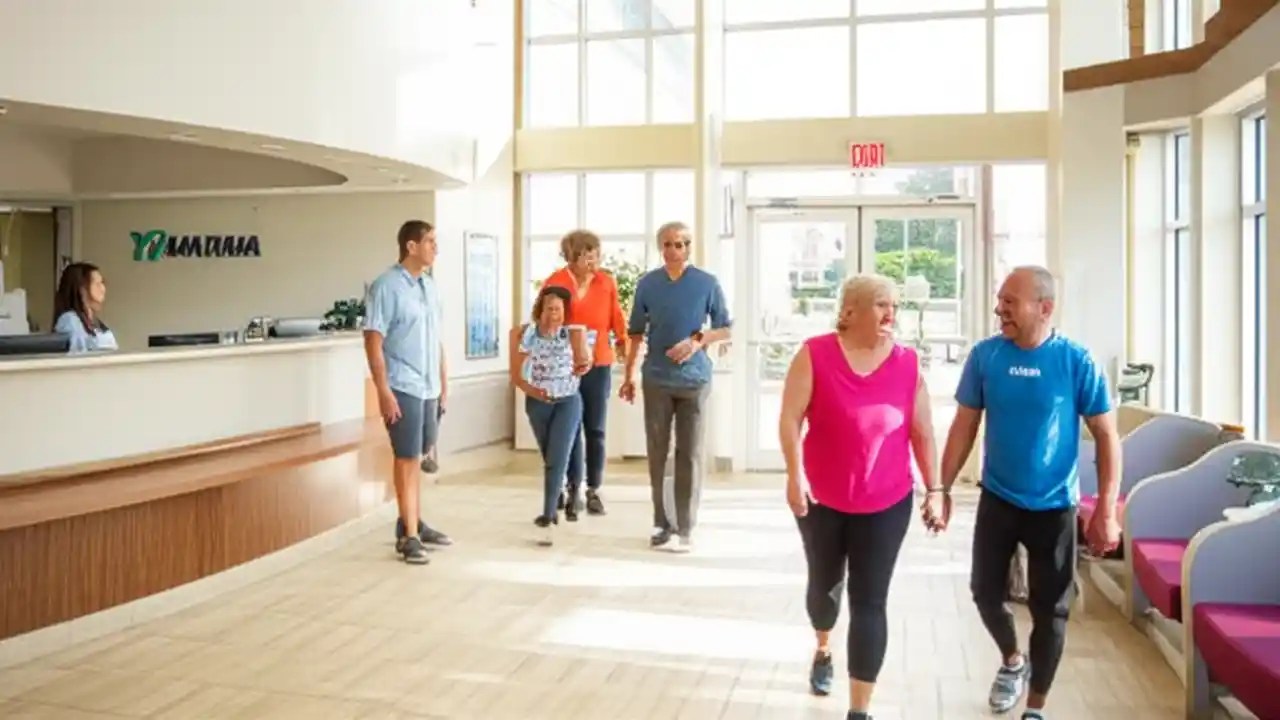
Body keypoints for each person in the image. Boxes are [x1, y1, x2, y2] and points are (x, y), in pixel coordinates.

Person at [936, 266, 1121, 720]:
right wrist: (939, 488)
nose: (1000, 309)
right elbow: (964, 425)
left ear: (1045, 307)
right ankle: (1012, 661)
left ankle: (1035, 708)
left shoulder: (1076, 361)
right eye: (999, 300)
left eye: (1009, 302)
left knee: (1050, 611)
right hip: (998, 497)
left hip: (1055, 506)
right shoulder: (986, 357)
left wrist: (1108, 510)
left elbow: (1106, 435)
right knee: (984, 592)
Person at [777, 274, 938, 720]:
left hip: (887, 501)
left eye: (895, 306)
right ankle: (823, 646)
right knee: (824, 590)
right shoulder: (815, 354)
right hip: (822, 499)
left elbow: (923, 432)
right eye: (881, 304)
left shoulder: (908, 363)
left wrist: (936, 488)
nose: (891, 314)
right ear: (849, 312)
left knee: (870, 600)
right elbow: (790, 419)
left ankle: (859, 710)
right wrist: (795, 476)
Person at [620, 221, 731, 553]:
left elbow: (725, 328)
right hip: (656, 378)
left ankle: (685, 526)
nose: (673, 250)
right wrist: (628, 376)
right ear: (660, 248)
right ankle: (661, 523)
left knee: (690, 453)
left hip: (695, 381)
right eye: (667, 244)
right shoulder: (648, 285)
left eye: (680, 244)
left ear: (688, 248)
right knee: (658, 453)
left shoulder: (706, 283)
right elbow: (636, 333)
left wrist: (698, 340)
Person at [363, 220, 453, 565]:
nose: (435, 248)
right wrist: (383, 391)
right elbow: (373, 341)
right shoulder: (386, 286)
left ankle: (411, 521)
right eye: (429, 241)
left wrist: (444, 384)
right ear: (411, 246)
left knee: (421, 454)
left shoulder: (430, 287)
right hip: (403, 384)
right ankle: (410, 537)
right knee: (407, 457)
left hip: (429, 386)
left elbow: (436, 339)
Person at [542, 230, 628, 520]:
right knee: (567, 428)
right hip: (562, 364)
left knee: (595, 428)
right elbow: (544, 318)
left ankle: (594, 489)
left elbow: (617, 319)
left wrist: (624, 347)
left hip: (599, 363)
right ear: (572, 255)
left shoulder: (606, 283)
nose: (593, 258)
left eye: (596, 252)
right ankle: (569, 487)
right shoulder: (555, 281)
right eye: (586, 252)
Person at [510, 285, 596, 546]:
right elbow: (516, 373)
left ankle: (549, 512)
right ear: (541, 309)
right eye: (549, 309)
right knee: (552, 454)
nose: (553, 314)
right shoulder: (528, 334)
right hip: (538, 402)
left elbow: (586, 360)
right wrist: (531, 390)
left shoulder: (573, 333)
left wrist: (586, 363)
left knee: (556, 458)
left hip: (568, 400)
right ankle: (572, 490)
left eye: (558, 309)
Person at [53, 262, 118, 354]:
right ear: (82, 289)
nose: (103, 288)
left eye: (102, 283)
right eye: (97, 284)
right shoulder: (69, 321)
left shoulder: (95, 323)